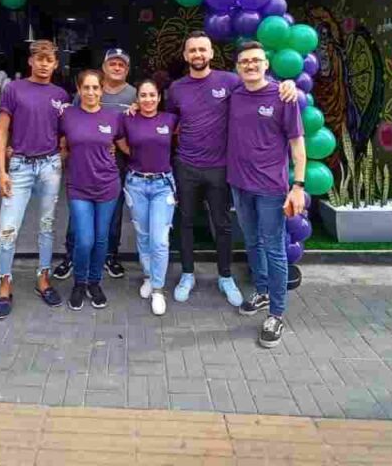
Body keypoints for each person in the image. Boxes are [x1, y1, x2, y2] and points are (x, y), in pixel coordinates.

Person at [165, 31, 298, 306]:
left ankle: (225, 276)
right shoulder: (176, 88)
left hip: (221, 168)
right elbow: (168, 119)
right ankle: (187, 274)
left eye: (203, 50)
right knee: (186, 223)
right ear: (185, 55)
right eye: (192, 51)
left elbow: (259, 86)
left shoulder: (230, 81)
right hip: (187, 166)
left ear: (212, 53)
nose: (198, 55)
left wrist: (287, 85)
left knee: (223, 225)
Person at [228, 41, 307, 349]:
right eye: (244, 61)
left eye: (256, 60)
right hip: (239, 184)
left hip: (271, 189)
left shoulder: (283, 96)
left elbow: (298, 146)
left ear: (266, 64)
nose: (250, 65)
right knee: (250, 240)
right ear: (238, 67)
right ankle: (261, 290)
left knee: (274, 248)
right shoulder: (234, 96)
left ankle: (277, 313)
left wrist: (298, 185)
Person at [0, 40, 69, 320]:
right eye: (40, 59)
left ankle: (43, 278)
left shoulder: (61, 94)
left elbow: (67, 131)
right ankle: (4, 283)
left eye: (50, 60)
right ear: (30, 61)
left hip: (50, 166)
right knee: (7, 229)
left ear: (56, 64)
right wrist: (1, 171)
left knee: (46, 227)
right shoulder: (13, 89)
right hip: (20, 167)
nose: (44, 64)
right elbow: (1, 132)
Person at [53, 48, 136, 281]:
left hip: (114, 161)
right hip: (84, 160)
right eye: (113, 63)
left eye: (122, 64)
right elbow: (66, 130)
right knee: (80, 218)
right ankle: (72, 255)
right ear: (104, 67)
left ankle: (110, 255)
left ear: (127, 69)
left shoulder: (134, 94)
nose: (117, 67)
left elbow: (136, 126)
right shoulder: (83, 95)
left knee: (113, 215)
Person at [59, 69, 126, 310]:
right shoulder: (67, 116)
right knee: (84, 240)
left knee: (101, 240)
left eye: (95, 88)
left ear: (102, 90)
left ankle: (94, 283)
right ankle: (79, 283)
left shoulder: (113, 117)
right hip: (79, 187)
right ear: (79, 90)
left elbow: (126, 145)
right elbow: (58, 143)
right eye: (85, 87)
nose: (90, 92)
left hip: (108, 186)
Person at [117, 80, 178, 316]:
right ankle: (149, 276)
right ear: (137, 98)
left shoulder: (169, 119)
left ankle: (158, 289)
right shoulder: (127, 118)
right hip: (136, 184)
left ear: (159, 97)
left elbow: (179, 138)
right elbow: (120, 141)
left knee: (159, 240)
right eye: (143, 95)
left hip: (163, 185)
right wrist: (136, 155)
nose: (148, 100)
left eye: (152, 95)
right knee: (142, 236)